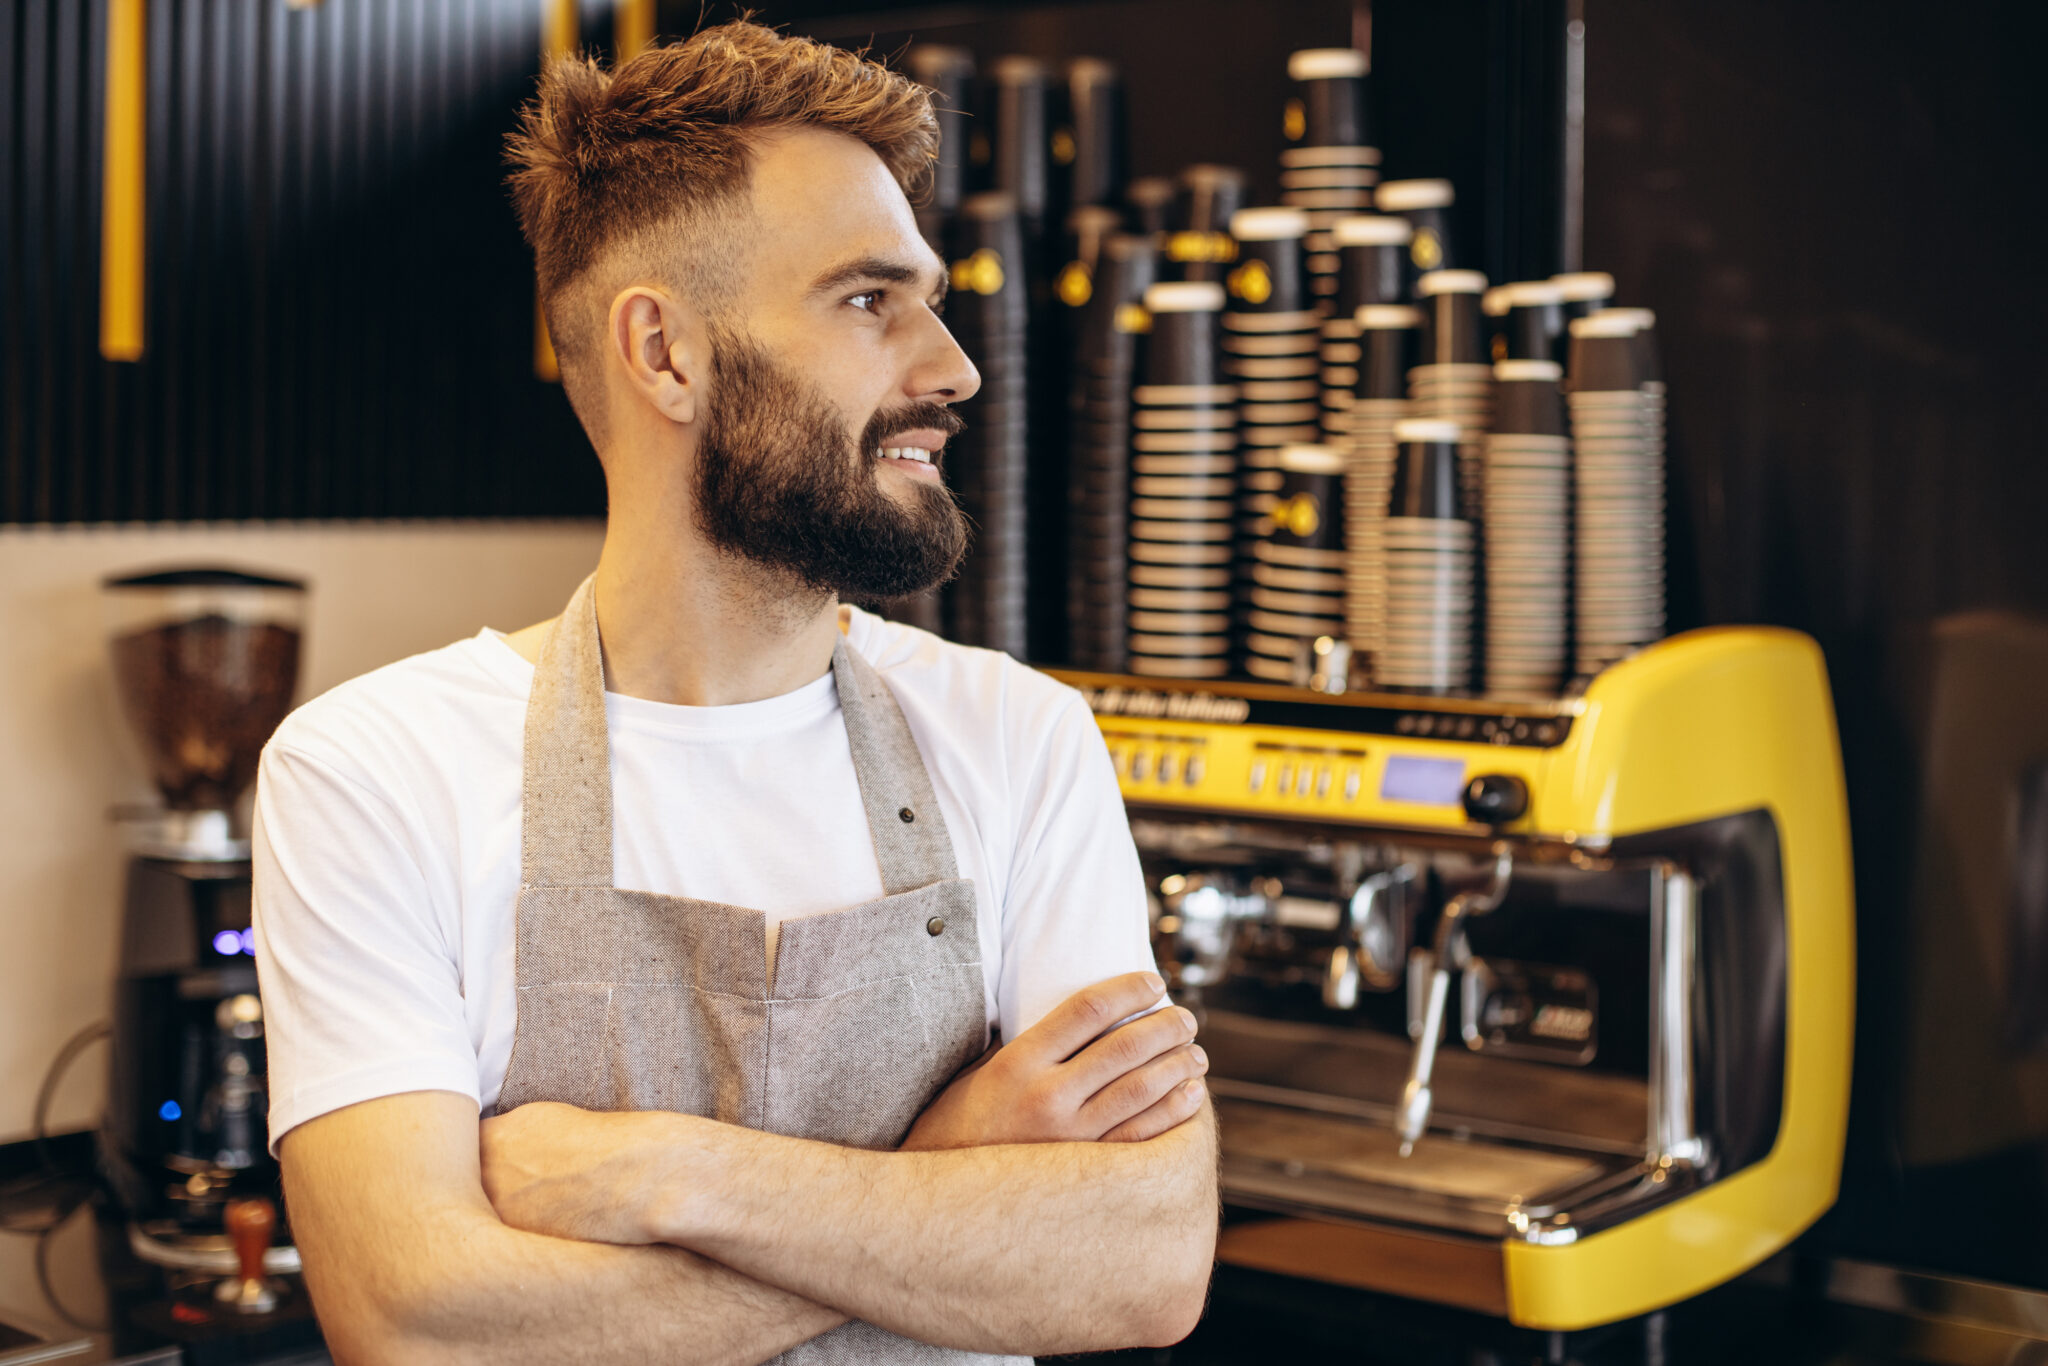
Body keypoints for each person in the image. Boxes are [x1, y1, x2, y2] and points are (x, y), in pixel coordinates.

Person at [251, 20, 1218, 1365]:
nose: (954, 366)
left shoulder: (1019, 739)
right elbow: (419, 1325)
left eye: (927, 298)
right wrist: (946, 1173)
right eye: (870, 300)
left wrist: (666, 1177)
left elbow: (1144, 1264)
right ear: (666, 354)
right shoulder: (371, 769)